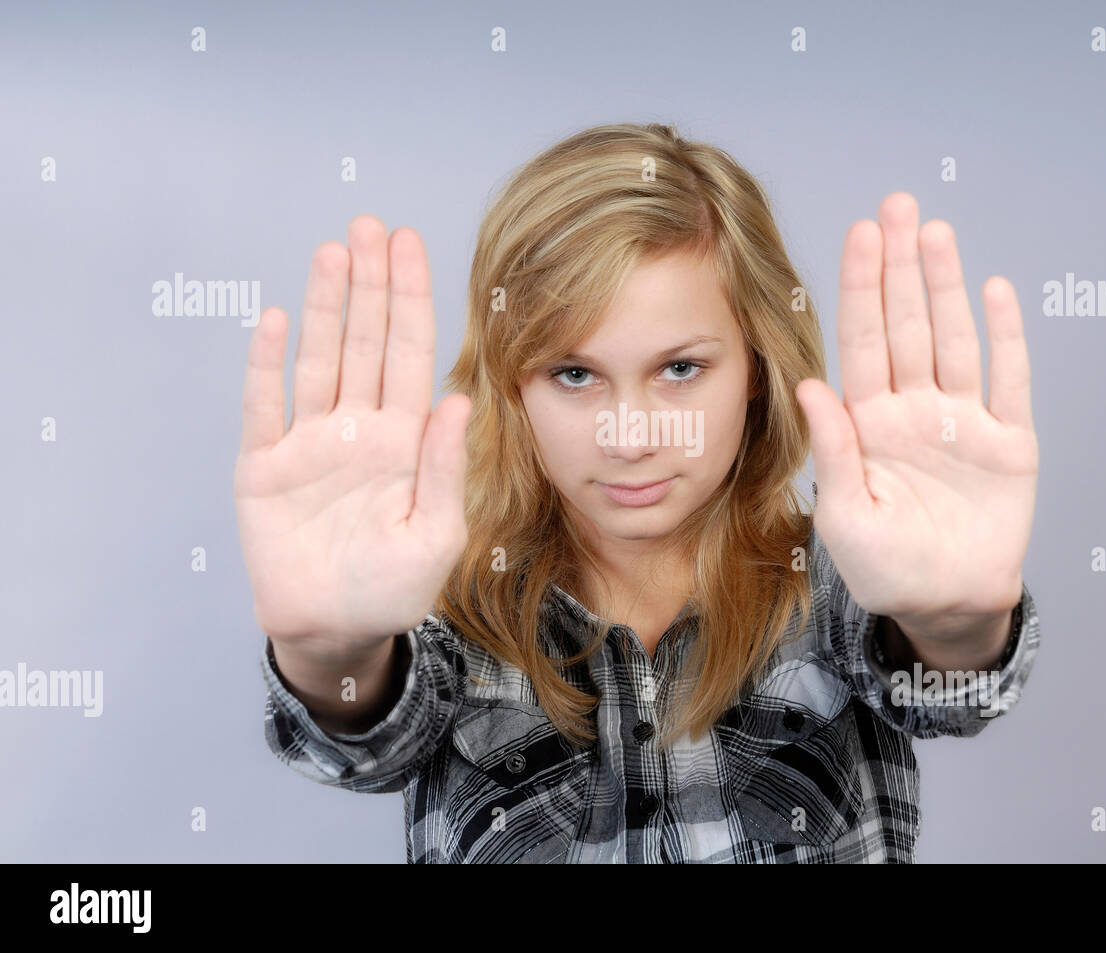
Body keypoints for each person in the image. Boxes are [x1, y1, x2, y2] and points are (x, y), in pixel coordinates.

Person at [234, 121, 1041, 863]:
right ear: (513, 387)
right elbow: (366, 740)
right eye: (575, 374)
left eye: (680, 368)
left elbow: (948, 689)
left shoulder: (838, 583)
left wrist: (954, 621)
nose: (630, 435)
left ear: (758, 367)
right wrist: (332, 652)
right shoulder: (442, 612)